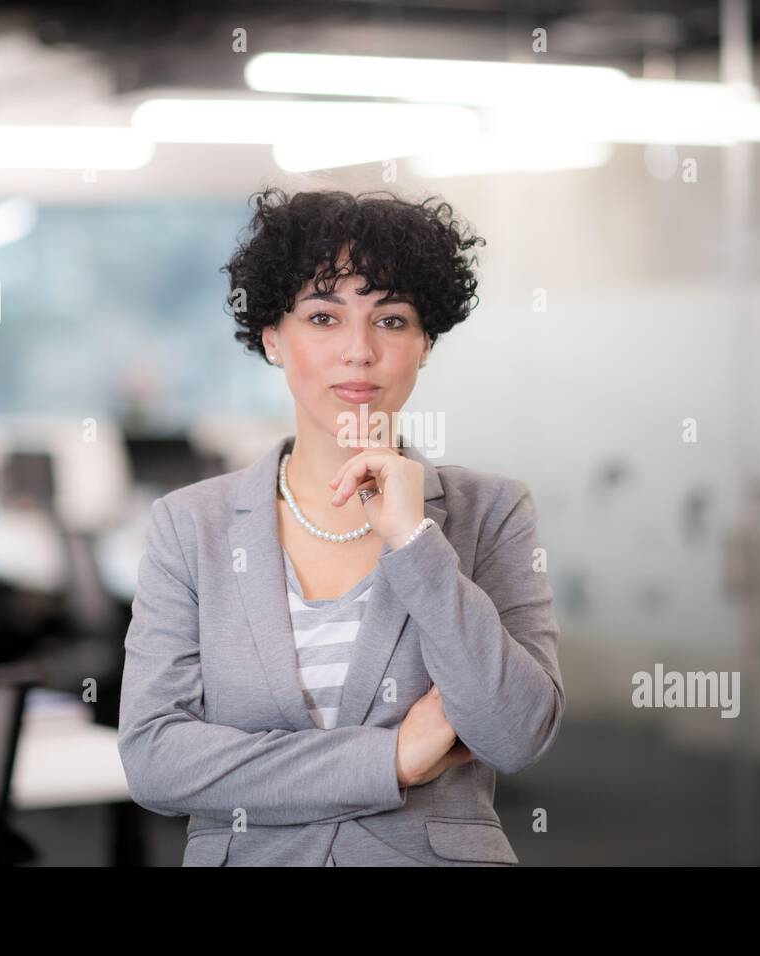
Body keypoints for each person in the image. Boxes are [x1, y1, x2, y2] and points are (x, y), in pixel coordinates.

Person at [117, 187, 564, 865]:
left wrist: (414, 543)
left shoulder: (489, 511)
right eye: (324, 318)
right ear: (272, 337)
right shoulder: (190, 526)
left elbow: (516, 732)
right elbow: (155, 758)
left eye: (390, 320)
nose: (358, 351)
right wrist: (390, 760)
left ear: (425, 342)